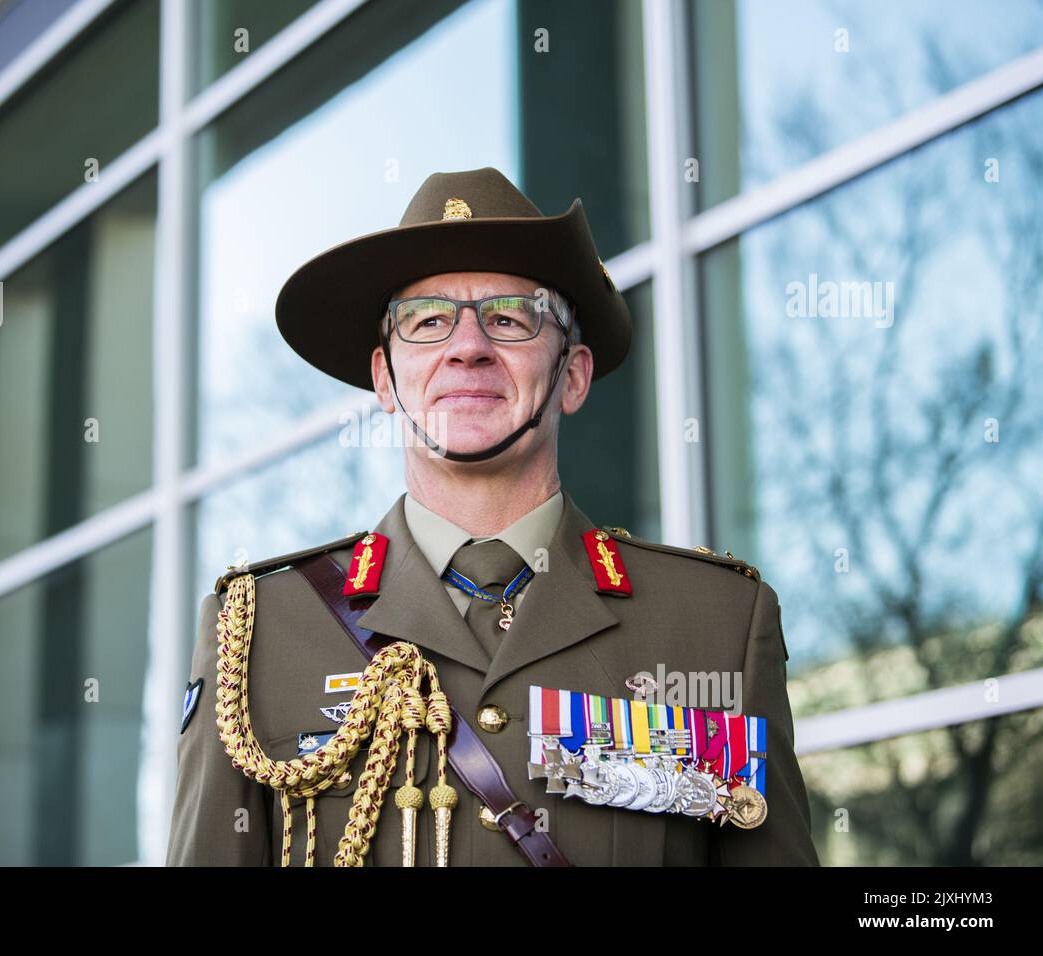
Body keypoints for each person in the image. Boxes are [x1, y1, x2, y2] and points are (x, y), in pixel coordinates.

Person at [166, 166, 819, 866]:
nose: (468, 346)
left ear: (571, 376)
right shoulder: (259, 632)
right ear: (385, 379)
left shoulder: (714, 623)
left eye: (509, 317)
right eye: (427, 321)